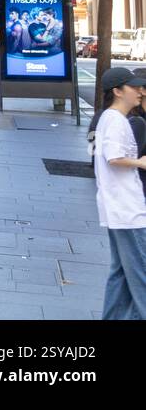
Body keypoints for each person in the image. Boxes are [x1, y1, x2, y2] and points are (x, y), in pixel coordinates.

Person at [93, 68, 146, 319]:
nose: (140, 91)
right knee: (141, 274)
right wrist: (141, 162)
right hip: (127, 210)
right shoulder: (115, 120)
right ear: (117, 91)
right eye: (134, 87)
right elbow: (114, 157)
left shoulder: (109, 118)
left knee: (123, 273)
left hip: (119, 208)